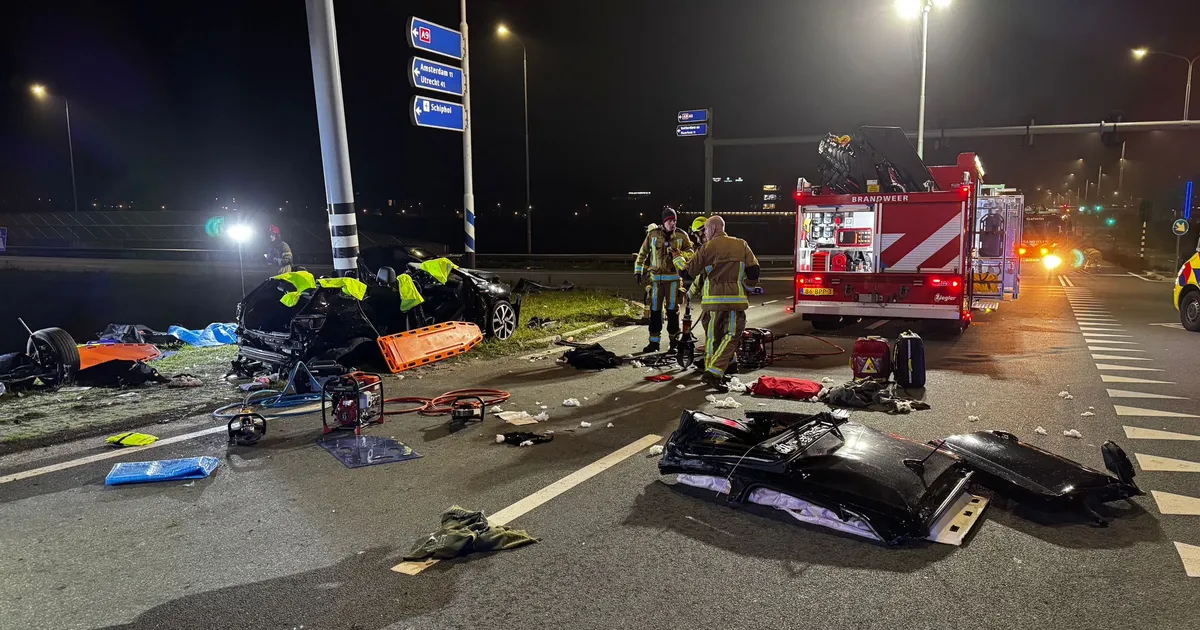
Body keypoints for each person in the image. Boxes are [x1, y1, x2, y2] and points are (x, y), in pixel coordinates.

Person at [682, 215, 760, 390]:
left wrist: (678, 261)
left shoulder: (706, 248)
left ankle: (712, 373)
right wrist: (747, 288)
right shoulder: (741, 244)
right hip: (734, 303)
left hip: (712, 304)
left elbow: (688, 274)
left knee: (712, 339)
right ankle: (715, 372)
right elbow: (754, 272)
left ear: (714, 229)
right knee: (731, 336)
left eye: (706, 230)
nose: (705, 234)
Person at [634, 207, 693, 353]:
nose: (673, 223)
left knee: (673, 311)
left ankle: (674, 342)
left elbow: (691, 253)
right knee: (655, 311)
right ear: (664, 222)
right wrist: (638, 271)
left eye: (674, 221)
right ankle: (654, 343)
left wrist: (679, 254)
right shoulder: (653, 235)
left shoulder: (681, 236)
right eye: (670, 221)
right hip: (655, 281)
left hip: (673, 280)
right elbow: (642, 253)